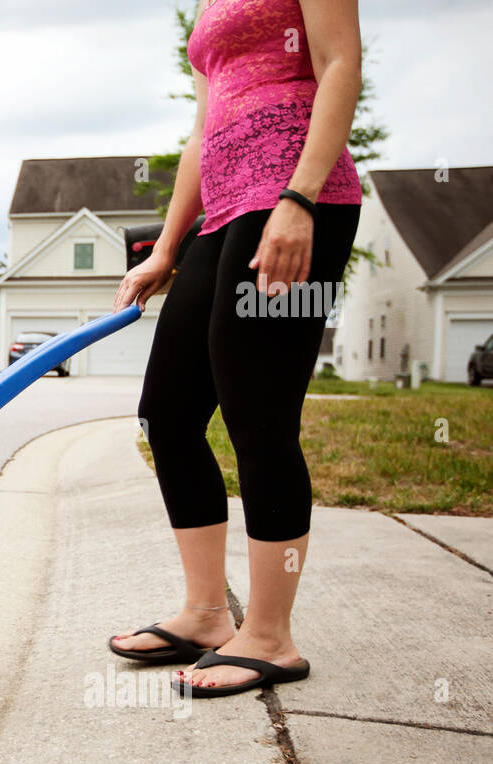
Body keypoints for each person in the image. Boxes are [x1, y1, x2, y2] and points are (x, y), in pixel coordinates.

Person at [108, 0, 363, 697]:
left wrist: (300, 198)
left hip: (293, 198)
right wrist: (166, 248)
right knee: (167, 412)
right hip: (223, 213)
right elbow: (202, 128)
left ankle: (273, 638)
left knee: (258, 414)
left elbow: (341, 62)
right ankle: (206, 614)